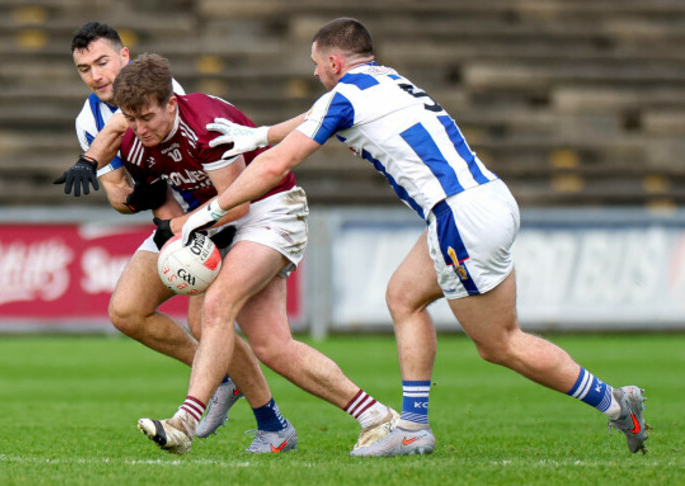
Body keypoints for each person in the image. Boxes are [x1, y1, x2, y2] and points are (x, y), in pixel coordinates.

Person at [182, 17, 650, 456]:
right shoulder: (385, 78)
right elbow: (312, 116)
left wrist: (214, 209)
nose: (315, 72)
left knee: (499, 343)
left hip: (459, 217)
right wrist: (258, 134)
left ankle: (613, 403)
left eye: (316, 63)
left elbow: (279, 164)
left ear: (334, 63)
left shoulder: (344, 94)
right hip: (489, 198)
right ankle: (412, 427)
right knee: (404, 296)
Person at [108, 53, 399, 455]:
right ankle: (377, 418)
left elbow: (238, 204)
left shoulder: (204, 127)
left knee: (217, 306)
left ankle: (185, 421)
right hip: (217, 218)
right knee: (273, 346)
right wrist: (177, 237)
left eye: (147, 117)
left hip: (269, 207)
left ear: (170, 104)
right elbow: (163, 205)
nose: (139, 128)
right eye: (131, 119)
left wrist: (181, 230)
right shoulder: (134, 145)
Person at [53, 22, 282, 448]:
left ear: (125, 57)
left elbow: (127, 127)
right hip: (172, 217)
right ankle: (219, 376)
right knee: (126, 312)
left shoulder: (158, 89)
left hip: (216, 209)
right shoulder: (87, 119)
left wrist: (90, 158)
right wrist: (140, 198)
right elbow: (118, 195)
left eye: (103, 62)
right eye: (84, 69)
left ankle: (271, 422)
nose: (96, 75)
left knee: (205, 319)